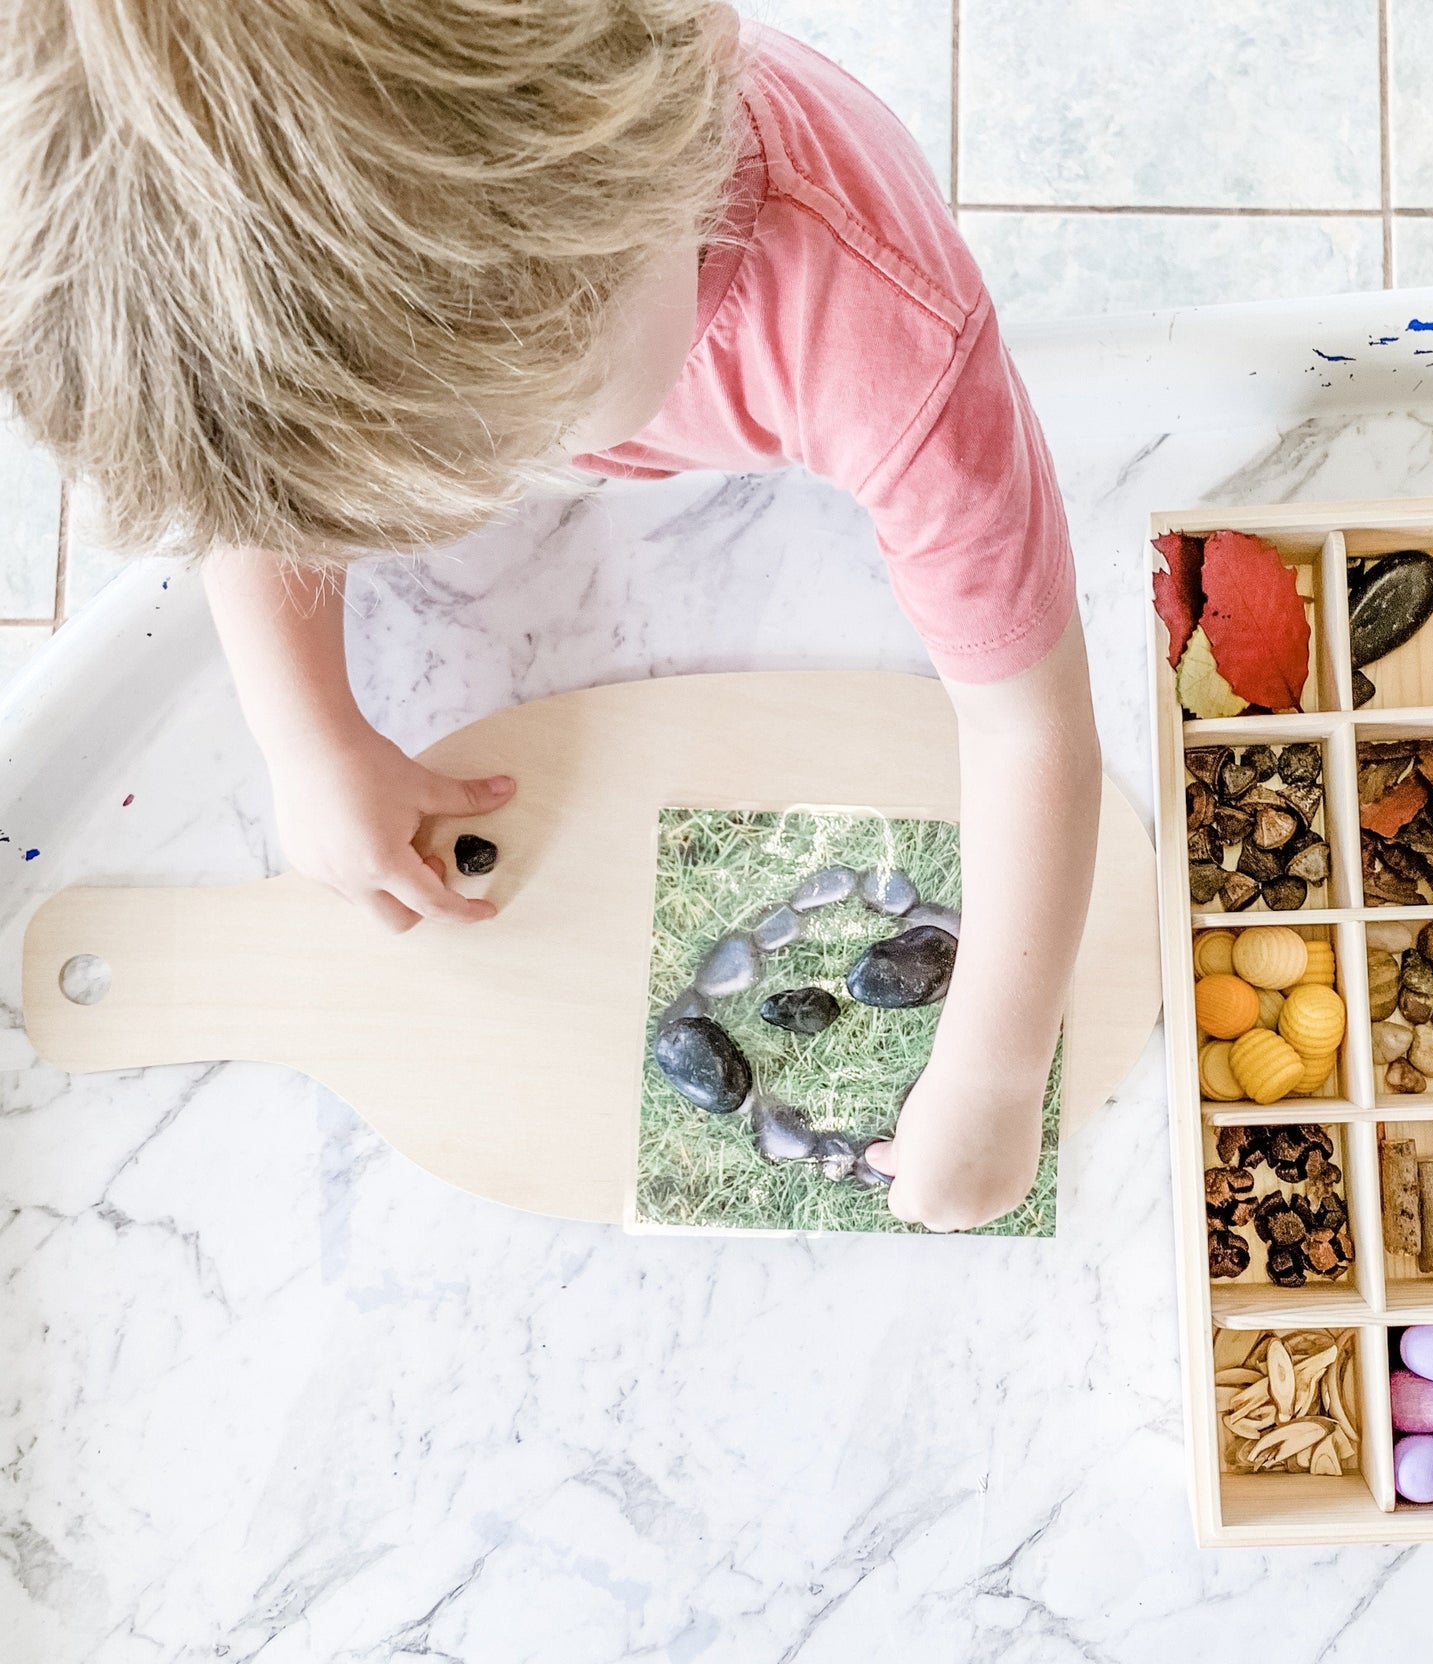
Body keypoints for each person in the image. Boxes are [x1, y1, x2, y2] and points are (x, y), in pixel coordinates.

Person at [0, 2, 1099, 1232]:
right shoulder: (303, 313)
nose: (496, 491)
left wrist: (999, 1073)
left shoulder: (892, 341)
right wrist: (306, 732)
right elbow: (268, 493)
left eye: (516, 438)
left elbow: (1029, 729)